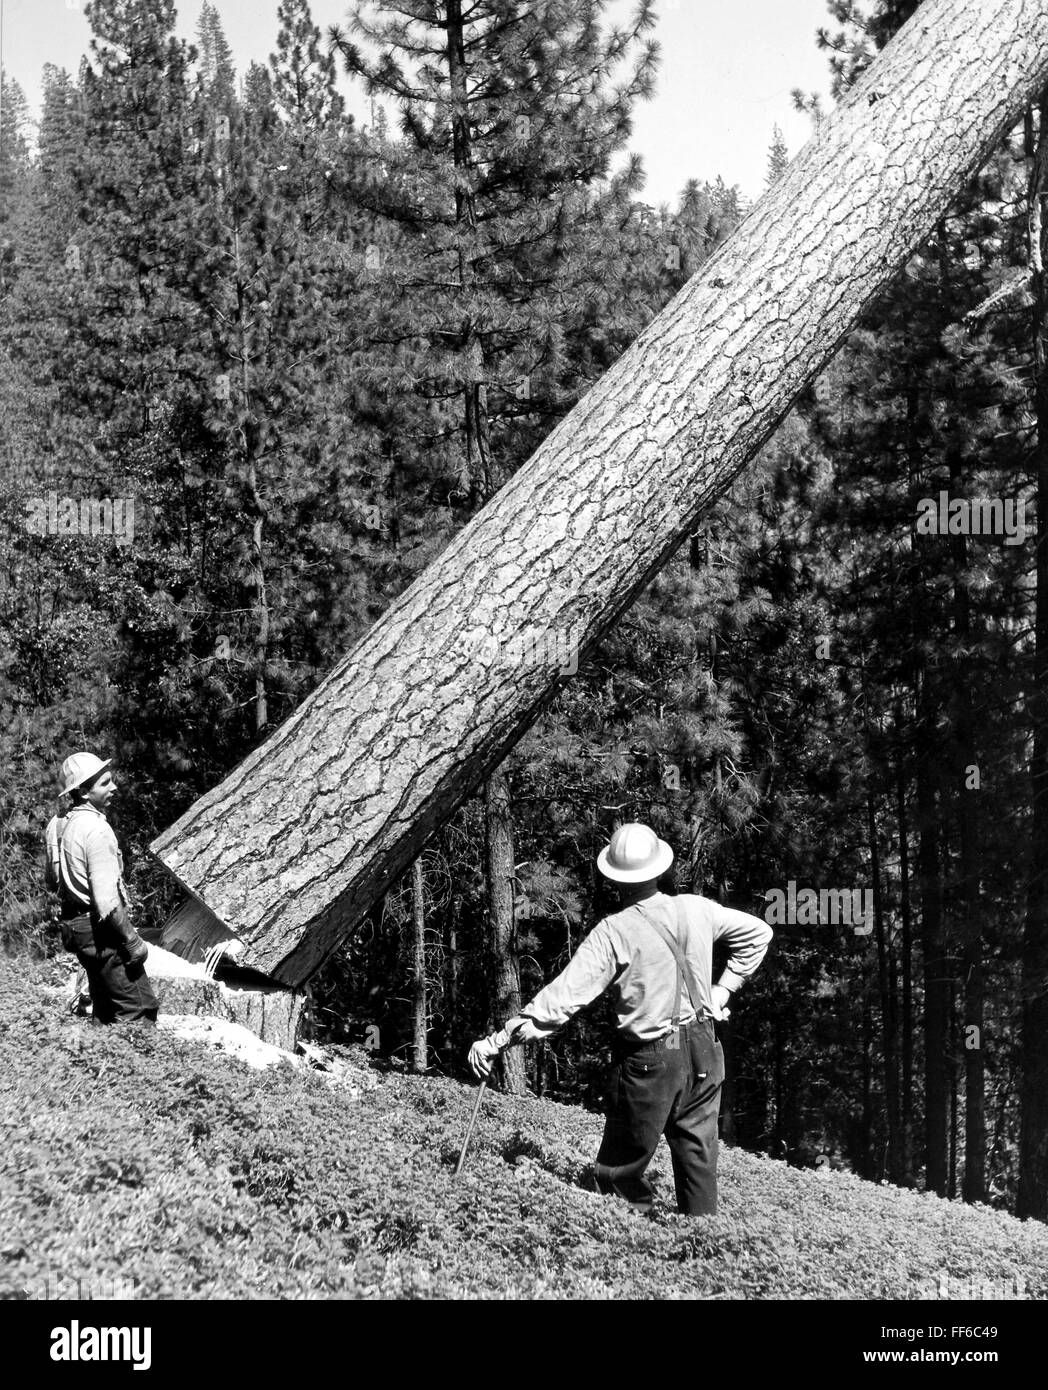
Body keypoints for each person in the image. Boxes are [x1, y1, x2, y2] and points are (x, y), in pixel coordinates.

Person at [468, 822, 772, 1216]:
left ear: (614, 878)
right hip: (702, 1048)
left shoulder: (614, 932)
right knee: (699, 1163)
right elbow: (759, 934)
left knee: (618, 1172)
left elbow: (561, 1001)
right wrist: (723, 989)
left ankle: (637, 1246)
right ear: (660, 867)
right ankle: (701, 1248)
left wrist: (497, 1040)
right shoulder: (697, 909)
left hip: (652, 1060)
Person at [44, 752, 158, 1025]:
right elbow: (107, 903)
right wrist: (132, 941)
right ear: (83, 791)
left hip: (75, 928)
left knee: (105, 1007)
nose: (114, 787)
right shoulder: (96, 829)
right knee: (139, 1010)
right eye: (105, 783)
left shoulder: (57, 826)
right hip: (101, 931)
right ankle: (135, 1066)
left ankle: (97, 1063)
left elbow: (53, 881)